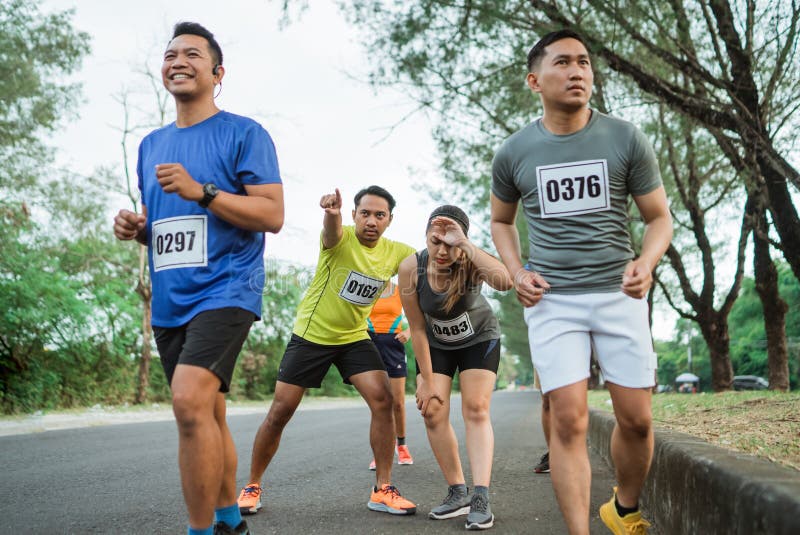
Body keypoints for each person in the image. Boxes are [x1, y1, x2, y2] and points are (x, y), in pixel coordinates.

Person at [490, 29, 673, 535]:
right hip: (553, 300)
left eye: (585, 63)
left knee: (636, 420)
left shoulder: (625, 138)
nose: (578, 72)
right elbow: (501, 222)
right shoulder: (514, 152)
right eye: (564, 63)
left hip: (620, 293)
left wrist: (648, 260)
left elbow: (659, 218)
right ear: (534, 80)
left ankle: (623, 508)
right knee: (569, 420)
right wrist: (517, 271)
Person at [113, 22, 284, 535]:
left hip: (228, 287)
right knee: (208, 413)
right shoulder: (150, 145)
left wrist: (203, 190)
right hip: (170, 298)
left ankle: (200, 530)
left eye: (192, 53)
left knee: (188, 401)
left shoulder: (244, 133)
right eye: (170, 55)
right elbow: (167, 227)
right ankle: (231, 521)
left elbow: (272, 214)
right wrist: (138, 230)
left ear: (217, 72)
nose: (178, 61)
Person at [237, 186, 418, 517]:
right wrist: (330, 215)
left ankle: (382, 489)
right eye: (365, 213)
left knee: (384, 400)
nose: (372, 221)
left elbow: (431, 265)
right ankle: (252, 485)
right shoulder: (341, 237)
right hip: (312, 335)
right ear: (353, 215)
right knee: (281, 411)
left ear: (390, 220)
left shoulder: (397, 252)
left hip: (353, 337)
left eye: (380, 215)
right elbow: (330, 233)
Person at [399, 205, 513, 530]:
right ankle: (457, 491)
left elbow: (505, 281)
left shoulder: (470, 261)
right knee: (432, 409)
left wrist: (466, 245)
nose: (442, 250)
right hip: (436, 343)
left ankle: (481, 495)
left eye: (450, 243)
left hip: (479, 338)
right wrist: (425, 379)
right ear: (426, 236)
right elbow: (417, 328)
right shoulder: (411, 268)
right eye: (436, 241)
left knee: (475, 408)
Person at [366, 279, 414, 470]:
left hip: (393, 344)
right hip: (370, 343)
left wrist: (409, 332)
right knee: (378, 402)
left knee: (398, 401)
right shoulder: (366, 289)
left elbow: (418, 316)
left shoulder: (401, 290)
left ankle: (401, 446)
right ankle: (380, 453)